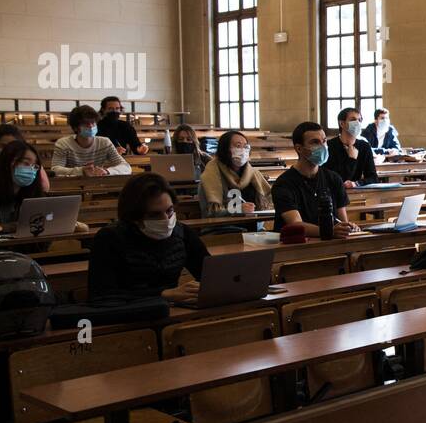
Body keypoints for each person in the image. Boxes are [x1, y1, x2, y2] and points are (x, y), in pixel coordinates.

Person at [87, 173, 207, 305]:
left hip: (170, 312)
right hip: (128, 317)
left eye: (169, 210)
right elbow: (100, 295)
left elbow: (210, 275)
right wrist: (164, 295)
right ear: (134, 217)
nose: (166, 220)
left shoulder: (183, 233)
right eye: (155, 215)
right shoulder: (109, 238)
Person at [271, 122, 359, 239]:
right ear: (299, 148)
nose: (322, 146)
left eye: (324, 141)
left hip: (331, 244)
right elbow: (295, 224)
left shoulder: (333, 178)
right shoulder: (283, 184)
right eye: (315, 142)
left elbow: (342, 220)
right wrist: (329, 231)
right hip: (297, 247)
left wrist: (347, 228)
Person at [199, 130, 273, 218]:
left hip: (254, 227)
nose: (243, 150)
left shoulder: (254, 174)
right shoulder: (210, 175)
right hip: (222, 229)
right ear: (225, 149)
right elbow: (209, 213)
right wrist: (237, 210)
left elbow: (268, 203)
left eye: (245, 147)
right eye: (238, 146)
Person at [51, 105, 133, 177]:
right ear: (75, 127)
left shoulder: (105, 142)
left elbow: (126, 167)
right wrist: (82, 171)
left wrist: (106, 171)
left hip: (97, 184)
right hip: (71, 185)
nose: (90, 126)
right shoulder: (63, 144)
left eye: (93, 123)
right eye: (85, 123)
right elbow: (55, 170)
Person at [325, 107, 379, 187]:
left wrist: (356, 183)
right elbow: (338, 179)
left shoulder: (364, 146)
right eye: (353, 119)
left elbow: (373, 178)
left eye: (359, 120)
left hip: (357, 192)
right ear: (342, 124)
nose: (357, 123)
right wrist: (352, 159)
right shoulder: (329, 146)